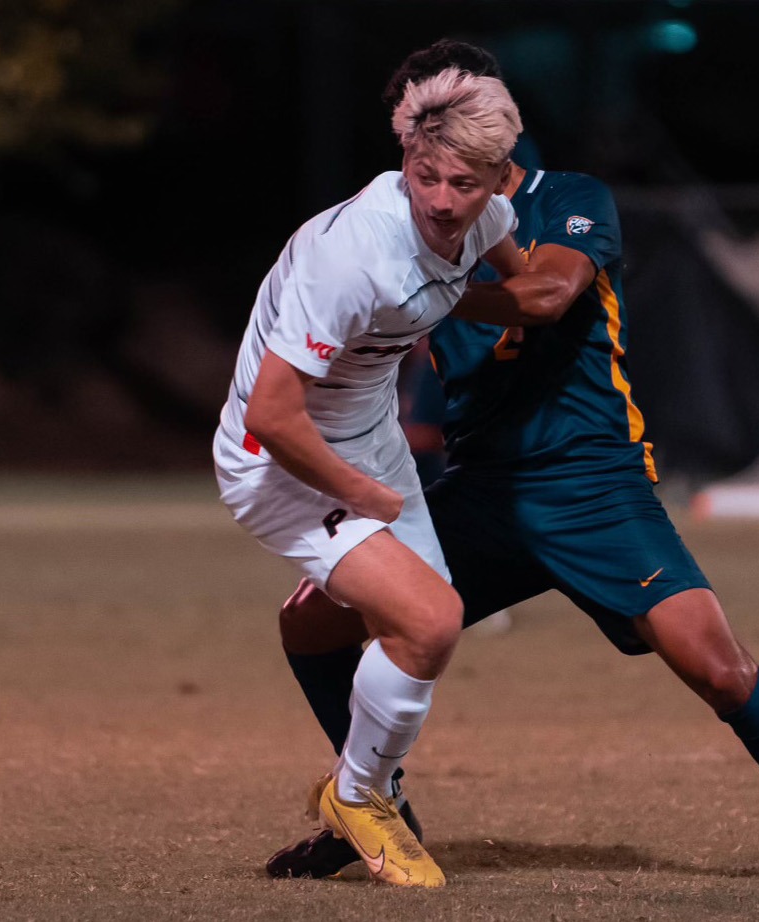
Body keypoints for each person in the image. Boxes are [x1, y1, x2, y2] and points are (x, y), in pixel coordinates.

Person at [265, 40, 759, 887]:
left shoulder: (569, 199)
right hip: (478, 492)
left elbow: (544, 294)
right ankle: (370, 808)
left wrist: (420, 288)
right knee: (311, 630)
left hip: (591, 483)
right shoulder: (397, 228)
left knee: (717, 667)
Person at [213, 66, 525, 889]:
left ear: (500, 178)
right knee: (432, 623)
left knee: (403, 629)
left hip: (369, 440)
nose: (442, 199)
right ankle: (357, 799)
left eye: (465, 182)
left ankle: (317, 642)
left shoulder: (490, 213)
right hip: (276, 460)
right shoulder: (352, 258)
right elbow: (271, 417)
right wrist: (359, 495)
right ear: (406, 160)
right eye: (426, 176)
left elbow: (506, 282)